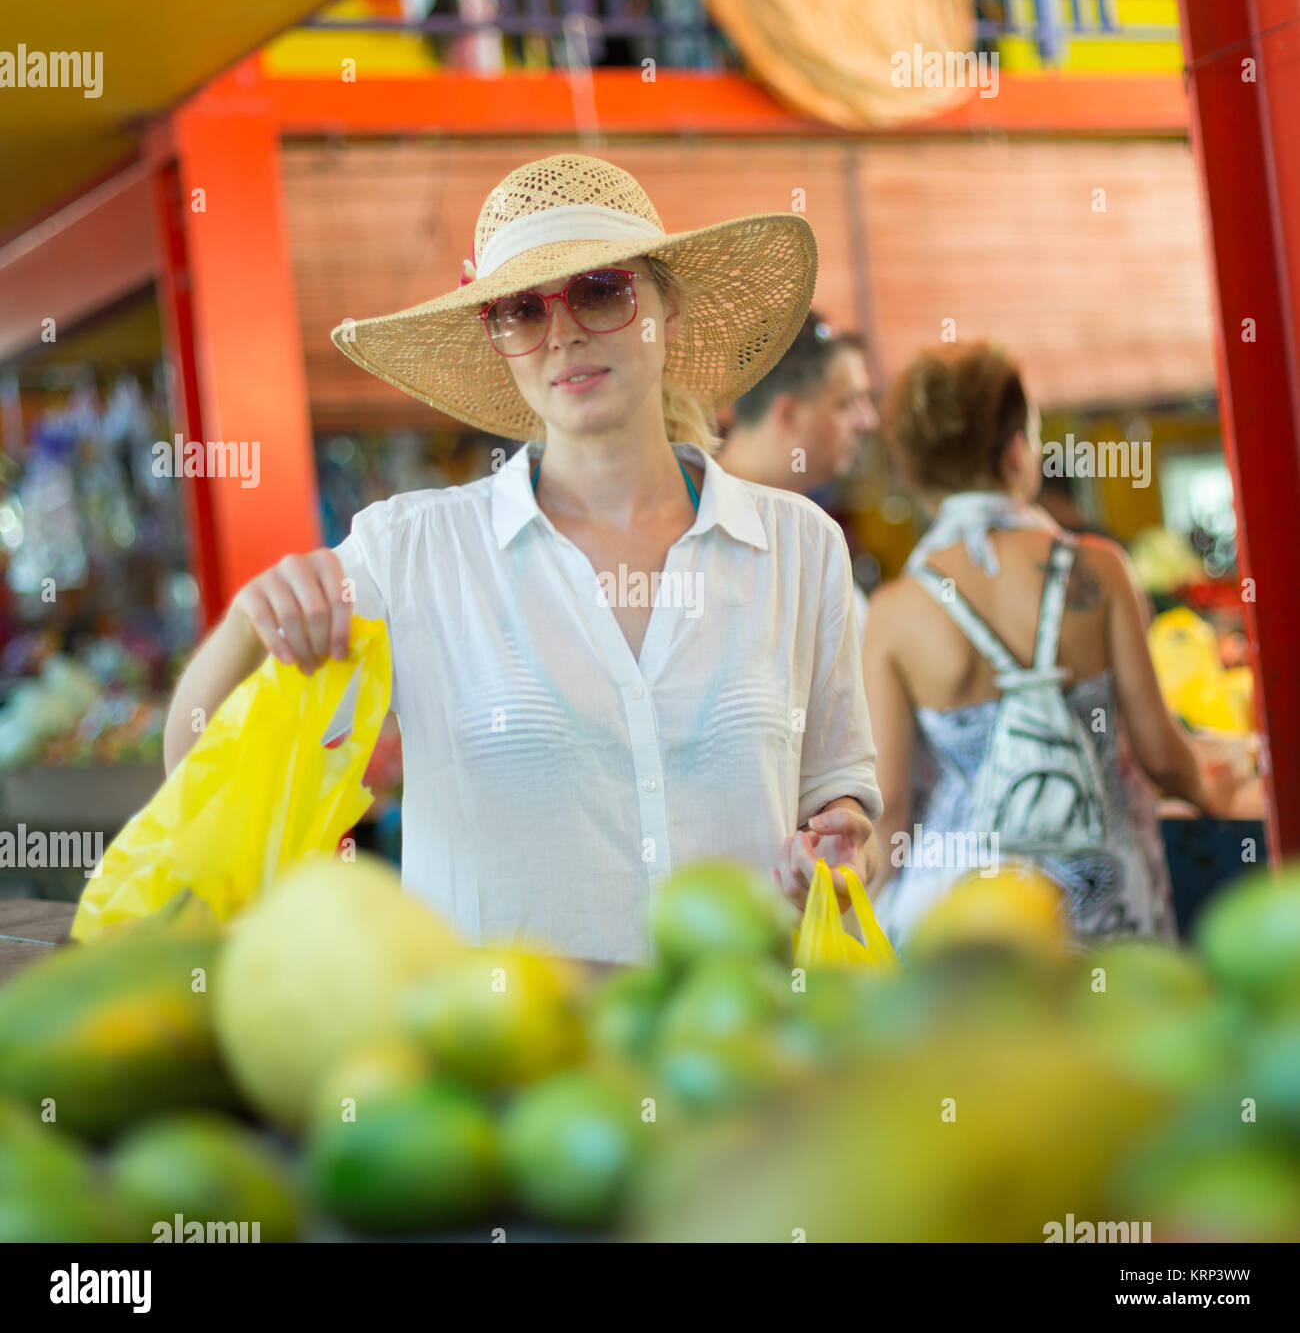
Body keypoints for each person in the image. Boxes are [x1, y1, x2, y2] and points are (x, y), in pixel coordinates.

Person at [164, 152, 883, 963]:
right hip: (499, 1066)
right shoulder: (410, 552)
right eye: (521, 310)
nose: (565, 331)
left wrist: (838, 844)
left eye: (602, 291)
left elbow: (840, 798)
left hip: (735, 1049)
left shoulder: (798, 546)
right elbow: (199, 769)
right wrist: (251, 621)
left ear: (668, 308)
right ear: (500, 341)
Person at [862, 342, 1237, 947]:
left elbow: (892, 808)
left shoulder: (894, 613)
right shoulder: (1100, 570)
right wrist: (1214, 789)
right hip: (1102, 904)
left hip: (964, 920)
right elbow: (1162, 756)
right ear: (1016, 450)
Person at [715, 311, 879, 637]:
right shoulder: (710, 534)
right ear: (789, 414)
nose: (869, 421)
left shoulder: (802, 526)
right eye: (848, 404)